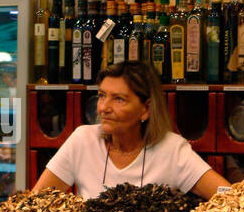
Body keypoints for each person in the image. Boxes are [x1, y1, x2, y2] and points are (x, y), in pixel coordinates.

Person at [32, 61, 228, 200]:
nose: (103, 107)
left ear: (146, 109)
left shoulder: (172, 149)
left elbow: (230, 198)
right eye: (101, 96)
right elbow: (36, 201)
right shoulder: (82, 140)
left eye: (118, 99)